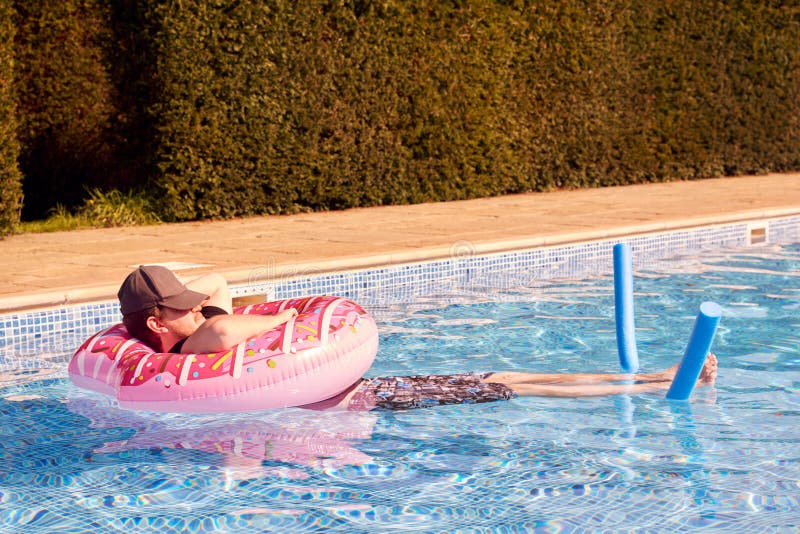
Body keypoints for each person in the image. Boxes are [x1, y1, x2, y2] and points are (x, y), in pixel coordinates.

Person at [118, 265, 718, 411]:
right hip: (360, 404)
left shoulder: (159, 344)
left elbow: (216, 287)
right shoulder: (206, 337)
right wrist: (270, 317)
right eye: (182, 308)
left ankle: (648, 378)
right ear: (157, 323)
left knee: (503, 379)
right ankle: (647, 383)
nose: (198, 311)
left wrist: (192, 300)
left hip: (346, 396)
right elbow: (224, 320)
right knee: (509, 383)